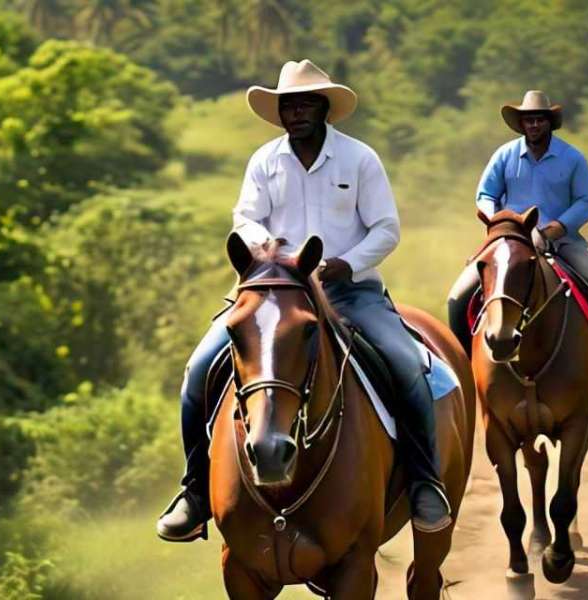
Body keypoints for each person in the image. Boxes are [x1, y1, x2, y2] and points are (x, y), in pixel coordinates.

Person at [156, 59, 452, 543]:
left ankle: (424, 483)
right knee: (196, 373)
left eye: (305, 104)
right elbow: (244, 219)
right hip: (276, 291)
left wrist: (343, 264)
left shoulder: (360, 160)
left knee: (407, 366)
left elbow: (386, 229)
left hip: (348, 291)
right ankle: (194, 492)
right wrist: (270, 253)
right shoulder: (264, 161)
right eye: (287, 105)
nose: (295, 113)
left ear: (325, 109)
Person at [445, 90, 588, 415]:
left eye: (539, 119)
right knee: (457, 298)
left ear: (549, 123)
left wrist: (559, 227)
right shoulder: (505, 155)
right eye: (528, 120)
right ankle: (461, 377)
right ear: (521, 124)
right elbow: (485, 193)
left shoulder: (572, 158)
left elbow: (585, 201)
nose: (534, 124)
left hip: (562, 242)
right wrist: (497, 218)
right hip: (509, 242)